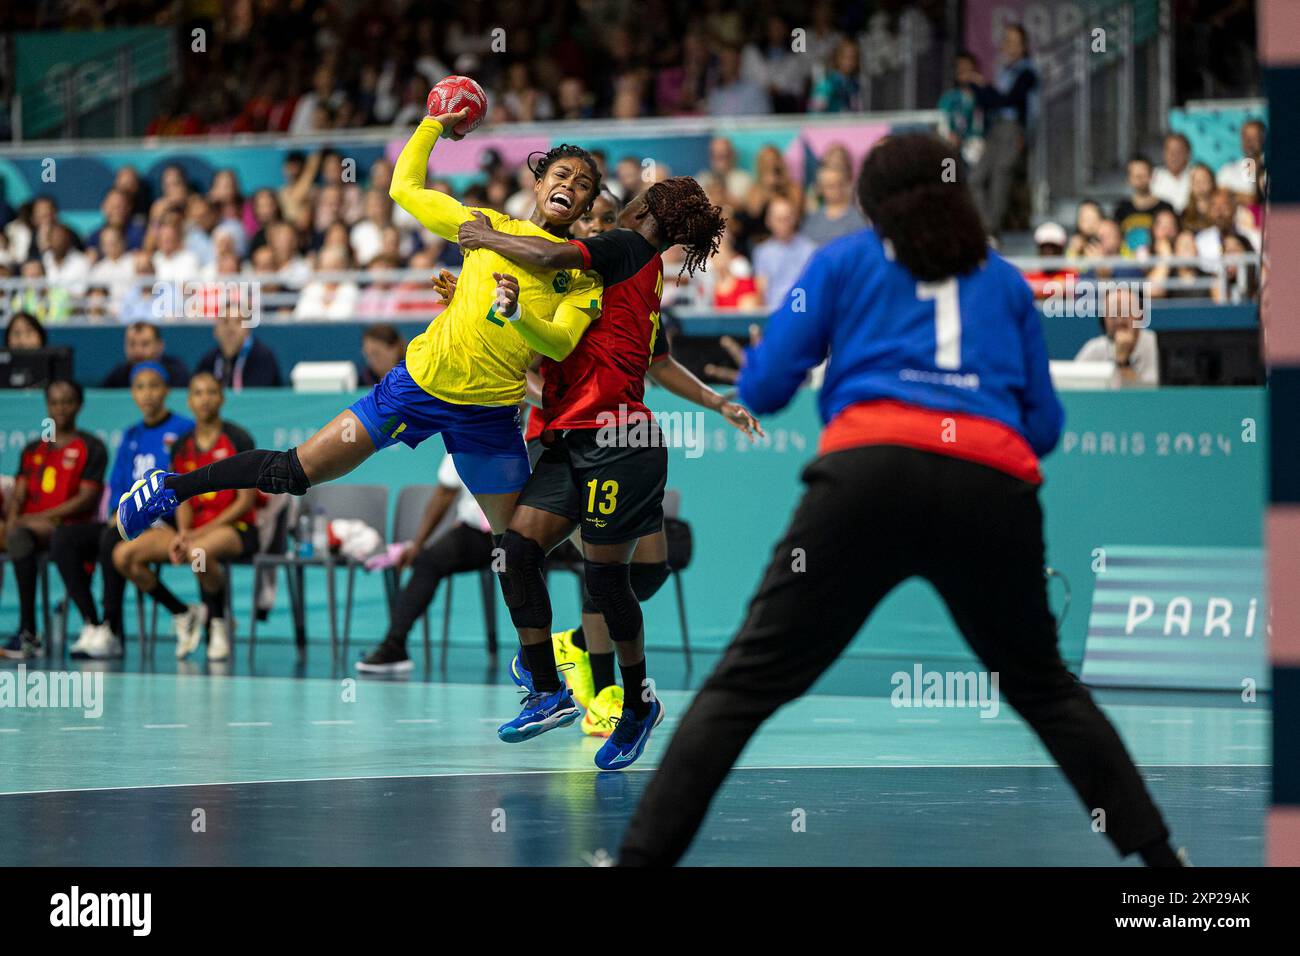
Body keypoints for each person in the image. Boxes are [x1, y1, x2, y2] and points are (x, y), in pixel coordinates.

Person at [616, 132, 1182, 868]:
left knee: (746, 682)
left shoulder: (843, 262)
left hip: (866, 480)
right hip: (992, 487)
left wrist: (769, 364)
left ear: (872, 201)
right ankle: (1172, 876)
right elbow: (1044, 426)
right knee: (1044, 689)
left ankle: (637, 863)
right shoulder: (1007, 283)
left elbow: (764, 390)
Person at [115, 104, 603, 548]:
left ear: (585, 207)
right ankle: (168, 489)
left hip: (489, 415)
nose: (570, 186)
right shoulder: (484, 226)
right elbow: (403, 189)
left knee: (520, 544)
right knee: (294, 470)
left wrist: (517, 313)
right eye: (561, 174)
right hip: (417, 388)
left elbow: (559, 346)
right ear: (538, 182)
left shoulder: (581, 276)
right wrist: (434, 120)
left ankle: (536, 649)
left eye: (584, 185)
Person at [457, 175, 756, 767]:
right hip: (573, 437)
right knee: (517, 551)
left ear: (647, 211)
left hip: (622, 441)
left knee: (613, 582)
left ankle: (638, 703)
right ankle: (547, 690)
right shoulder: (616, 271)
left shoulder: (627, 246)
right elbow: (545, 301)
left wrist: (485, 233)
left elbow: (544, 251)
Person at [111, 373, 258, 661]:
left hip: (235, 527)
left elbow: (245, 501)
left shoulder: (237, 437)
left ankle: (218, 623)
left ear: (221, 397)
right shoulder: (180, 445)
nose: (205, 399)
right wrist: (183, 530)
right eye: (198, 393)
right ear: (189, 400)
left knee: (198, 553)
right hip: (191, 532)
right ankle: (184, 612)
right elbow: (182, 496)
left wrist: (194, 535)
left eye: (211, 392)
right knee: (123, 555)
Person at [356, 453, 493, 674]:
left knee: (528, 562)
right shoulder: (463, 431)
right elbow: (445, 493)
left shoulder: (537, 432)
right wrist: (418, 545)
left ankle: (539, 658)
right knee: (429, 560)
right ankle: (394, 645)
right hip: (480, 534)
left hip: (533, 528)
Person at [1, 380, 107, 660]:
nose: (60, 408)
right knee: (16, 534)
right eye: (54, 402)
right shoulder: (34, 448)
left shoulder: (91, 446)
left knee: (21, 534)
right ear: (47, 405)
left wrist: (31, 519)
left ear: (79, 405)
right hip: (29, 527)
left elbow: (86, 499)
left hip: (72, 527)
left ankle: (28, 633)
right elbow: (20, 493)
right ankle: (28, 633)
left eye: (67, 401)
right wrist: (13, 519)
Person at [969, 23, 1038, 237]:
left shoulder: (1027, 71)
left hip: (1012, 130)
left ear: (1024, 46)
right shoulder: (1002, 70)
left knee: (1001, 180)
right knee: (976, 179)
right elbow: (990, 102)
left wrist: (983, 88)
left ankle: (992, 231)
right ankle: (985, 228)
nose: (1009, 46)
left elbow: (1009, 99)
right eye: (1006, 40)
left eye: (1014, 41)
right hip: (994, 130)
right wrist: (982, 90)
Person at [1074, 285, 1159, 386]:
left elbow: (1150, 393)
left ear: (1140, 316)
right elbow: (1073, 384)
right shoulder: (1093, 349)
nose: (1119, 321)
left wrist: (1123, 362)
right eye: (1113, 315)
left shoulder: (1156, 345)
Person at [195, 312, 285, 389]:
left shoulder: (263, 358)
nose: (231, 329)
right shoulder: (208, 361)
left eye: (238, 322)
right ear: (215, 330)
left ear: (248, 330)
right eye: (225, 322)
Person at [1112, 156, 1175, 255]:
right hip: (1127, 263)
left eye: (1143, 174)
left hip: (1158, 261)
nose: (1140, 178)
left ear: (1152, 176)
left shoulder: (1166, 208)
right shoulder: (1121, 209)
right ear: (1129, 179)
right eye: (1135, 175)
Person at [100, 321, 191, 388]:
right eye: (132, 344)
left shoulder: (176, 371)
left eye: (145, 344)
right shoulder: (118, 374)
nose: (138, 350)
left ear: (160, 346)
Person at [1151, 133, 1193, 214]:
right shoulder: (1153, 176)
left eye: (1178, 151)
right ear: (1164, 153)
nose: (1173, 156)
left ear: (1188, 154)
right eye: (1170, 151)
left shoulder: (1197, 175)